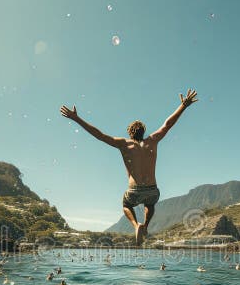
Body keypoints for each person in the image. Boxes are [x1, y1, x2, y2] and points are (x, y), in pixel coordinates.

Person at [60, 88, 198, 245]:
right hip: (152, 189)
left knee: (126, 205)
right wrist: (183, 106)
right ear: (143, 131)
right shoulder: (152, 140)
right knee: (150, 204)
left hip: (134, 190)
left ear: (130, 132)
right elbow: (167, 124)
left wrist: (77, 119)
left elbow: (100, 135)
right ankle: (145, 226)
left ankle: (136, 225)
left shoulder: (123, 144)